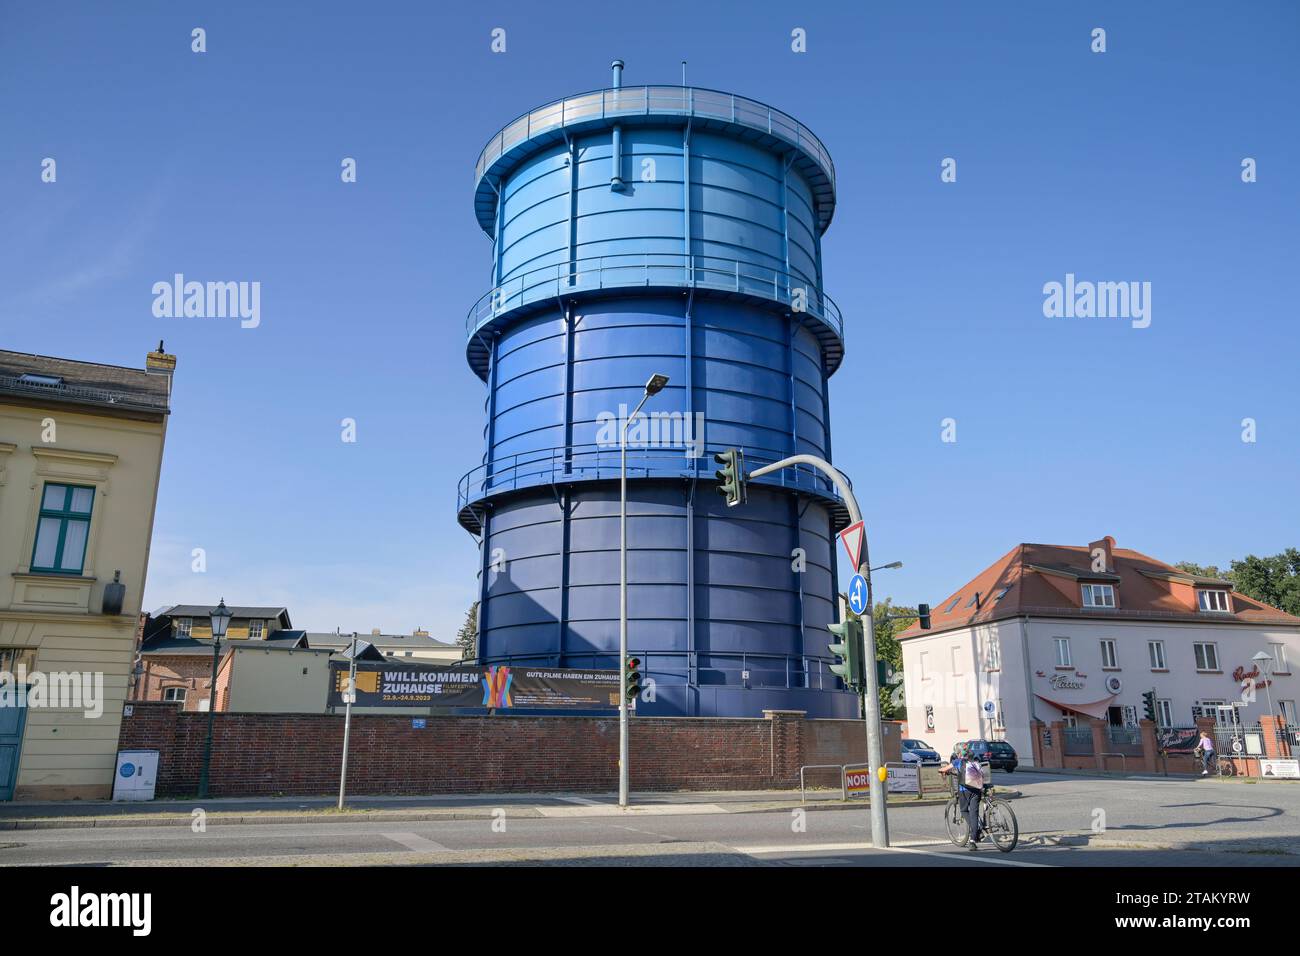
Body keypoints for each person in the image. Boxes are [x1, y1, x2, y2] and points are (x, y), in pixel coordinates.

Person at [941, 743, 986, 850]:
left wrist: (941, 771)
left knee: (964, 811)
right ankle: (973, 840)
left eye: (957, 753)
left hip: (965, 790)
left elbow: (944, 769)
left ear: (959, 753)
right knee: (974, 813)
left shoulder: (958, 761)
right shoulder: (975, 761)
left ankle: (977, 830)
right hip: (977, 790)